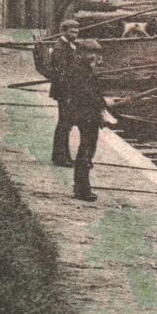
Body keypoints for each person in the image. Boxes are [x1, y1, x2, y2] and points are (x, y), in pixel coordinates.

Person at [63, 39, 107, 202]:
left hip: (85, 114)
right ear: (82, 54)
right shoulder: (80, 70)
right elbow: (86, 93)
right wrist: (104, 103)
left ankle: (81, 187)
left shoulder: (81, 68)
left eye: (95, 53)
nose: (94, 57)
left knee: (87, 150)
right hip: (86, 115)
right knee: (86, 151)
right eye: (91, 53)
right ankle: (82, 190)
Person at [47, 18, 82, 166]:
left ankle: (65, 156)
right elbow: (63, 73)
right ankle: (59, 157)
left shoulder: (68, 45)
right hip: (64, 91)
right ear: (64, 31)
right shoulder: (60, 48)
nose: (75, 34)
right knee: (64, 124)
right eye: (72, 31)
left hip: (67, 91)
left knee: (66, 123)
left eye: (76, 31)